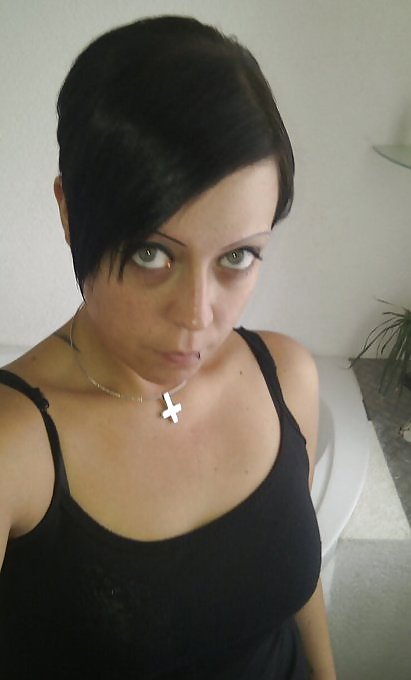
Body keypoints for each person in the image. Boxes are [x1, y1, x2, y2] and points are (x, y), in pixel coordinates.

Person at [0, 15, 336, 679]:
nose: (197, 315)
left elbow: (297, 586)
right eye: (152, 253)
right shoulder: (13, 450)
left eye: (237, 256)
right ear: (70, 212)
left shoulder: (286, 376)